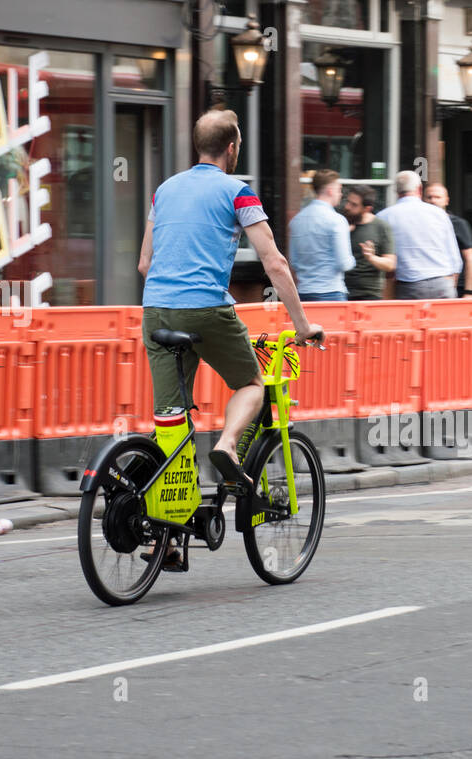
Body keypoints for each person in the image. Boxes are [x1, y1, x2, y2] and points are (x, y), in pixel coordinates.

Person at [138, 109, 323, 530]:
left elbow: (145, 263)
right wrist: (302, 324)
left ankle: (162, 535)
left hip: (155, 309)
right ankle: (227, 446)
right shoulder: (238, 192)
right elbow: (274, 262)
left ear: (197, 145)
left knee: (170, 417)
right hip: (206, 308)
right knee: (251, 384)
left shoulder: (164, 190)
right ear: (232, 148)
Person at [375, 170, 463, 300]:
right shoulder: (440, 214)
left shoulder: (384, 216)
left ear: (397, 192)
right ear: (419, 189)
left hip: (408, 286)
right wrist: (450, 283)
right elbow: (455, 258)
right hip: (442, 283)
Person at [287, 169, 355, 302]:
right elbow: (344, 264)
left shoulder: (296, 220)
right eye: (339, 189)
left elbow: (294, 261)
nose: (340, 194)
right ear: (330, 190)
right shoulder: (337, 220)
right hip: (331, 292)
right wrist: (354, 259)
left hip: (303, 293)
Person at [342, 184, 396, 302]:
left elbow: (390, 264)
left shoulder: (381, 227)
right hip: (341, 292)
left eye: (354, 205)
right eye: (348, 202)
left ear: (367, 209)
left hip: (369, 295)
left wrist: (371, 258)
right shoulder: (341, 223)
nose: (347, 206)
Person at [424, 183, 472, 296]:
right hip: (425, 284)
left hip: (457, 286)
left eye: (438, 197)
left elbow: (470, 258)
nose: (433, 200)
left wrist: (469, 292)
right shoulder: (418, 224)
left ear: (446, 201)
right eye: (429, 197)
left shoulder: (458, 224)